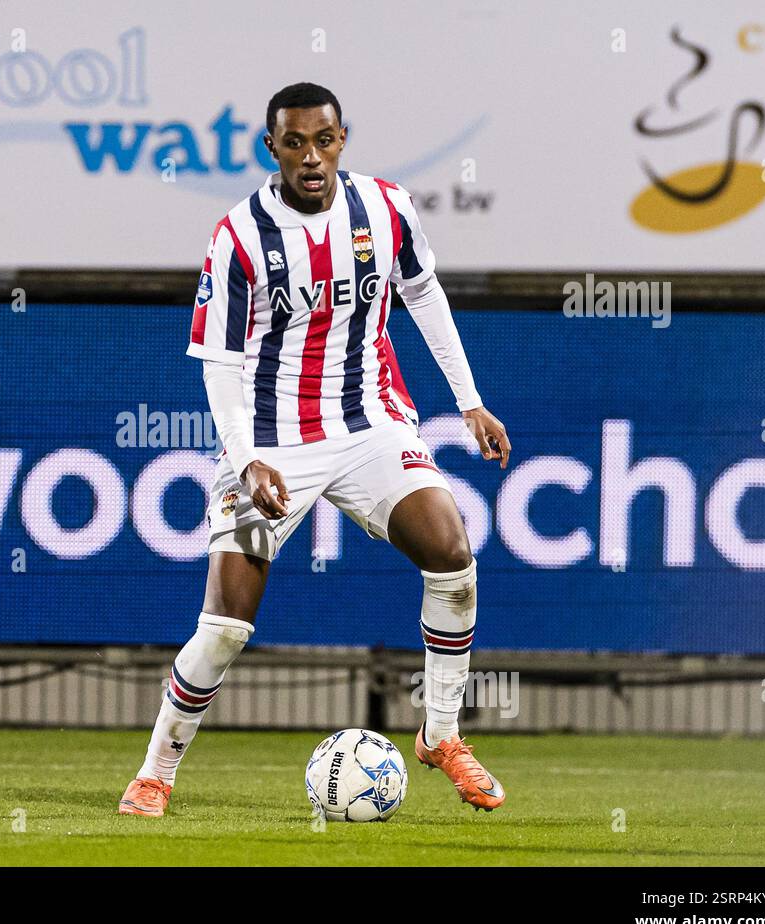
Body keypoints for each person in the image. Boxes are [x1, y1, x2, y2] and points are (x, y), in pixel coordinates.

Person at [119, 82, 512, 818]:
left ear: (341, 140)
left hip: (371, 424)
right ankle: (156, 769)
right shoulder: (238, 235)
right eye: (293, 143)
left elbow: (424, 296)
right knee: (227, 627)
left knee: (453, 556)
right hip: (271, 441)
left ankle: (442, 736)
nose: (310, 157)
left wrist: (469, 400)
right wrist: (244, 458)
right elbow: (218, 362)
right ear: (271, 149)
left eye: (323, 140)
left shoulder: (386, 207)